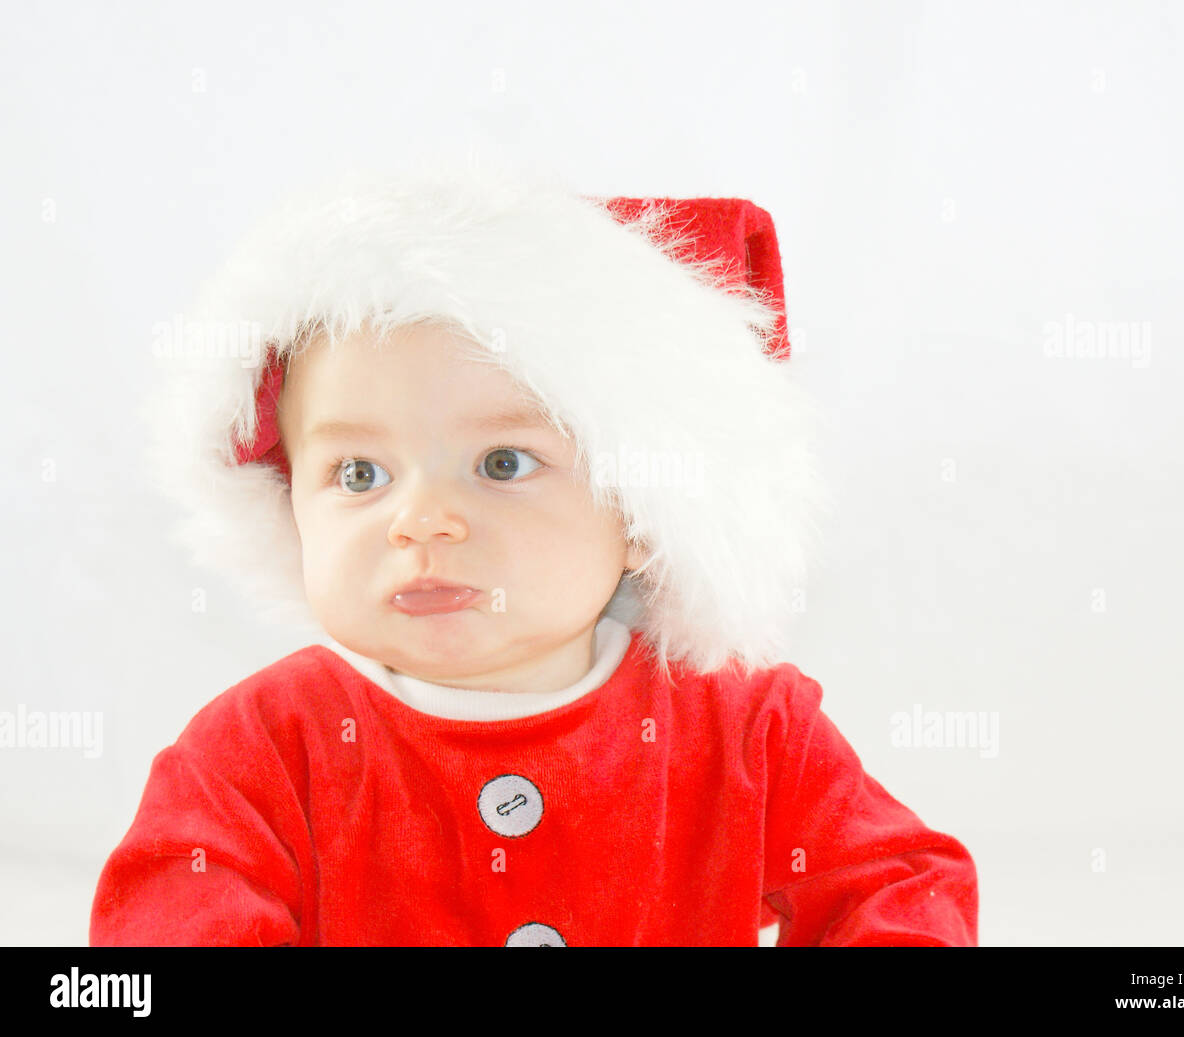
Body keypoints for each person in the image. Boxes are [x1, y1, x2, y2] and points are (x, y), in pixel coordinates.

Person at [90, 158, 979, 946]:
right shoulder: (264, 749)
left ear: (641, 511)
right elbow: (173, 912)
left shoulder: (745, 730)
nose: (421, 520)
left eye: (502, 463)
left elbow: (895, 885)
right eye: (360, 472)